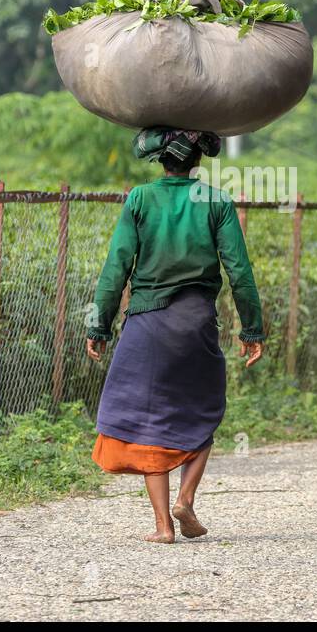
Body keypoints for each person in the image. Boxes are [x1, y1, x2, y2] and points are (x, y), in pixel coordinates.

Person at [85, 127, 265, 543]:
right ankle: (186, 498)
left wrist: (99, 325)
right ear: (198, 161)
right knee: (201, 410)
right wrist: (252, 329)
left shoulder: (140, 199)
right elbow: (239, 272)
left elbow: (116, 270)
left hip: (145, 325)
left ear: (159, 161)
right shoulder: (216, 201)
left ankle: (163, 526)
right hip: (195, 324)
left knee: (149, 420)